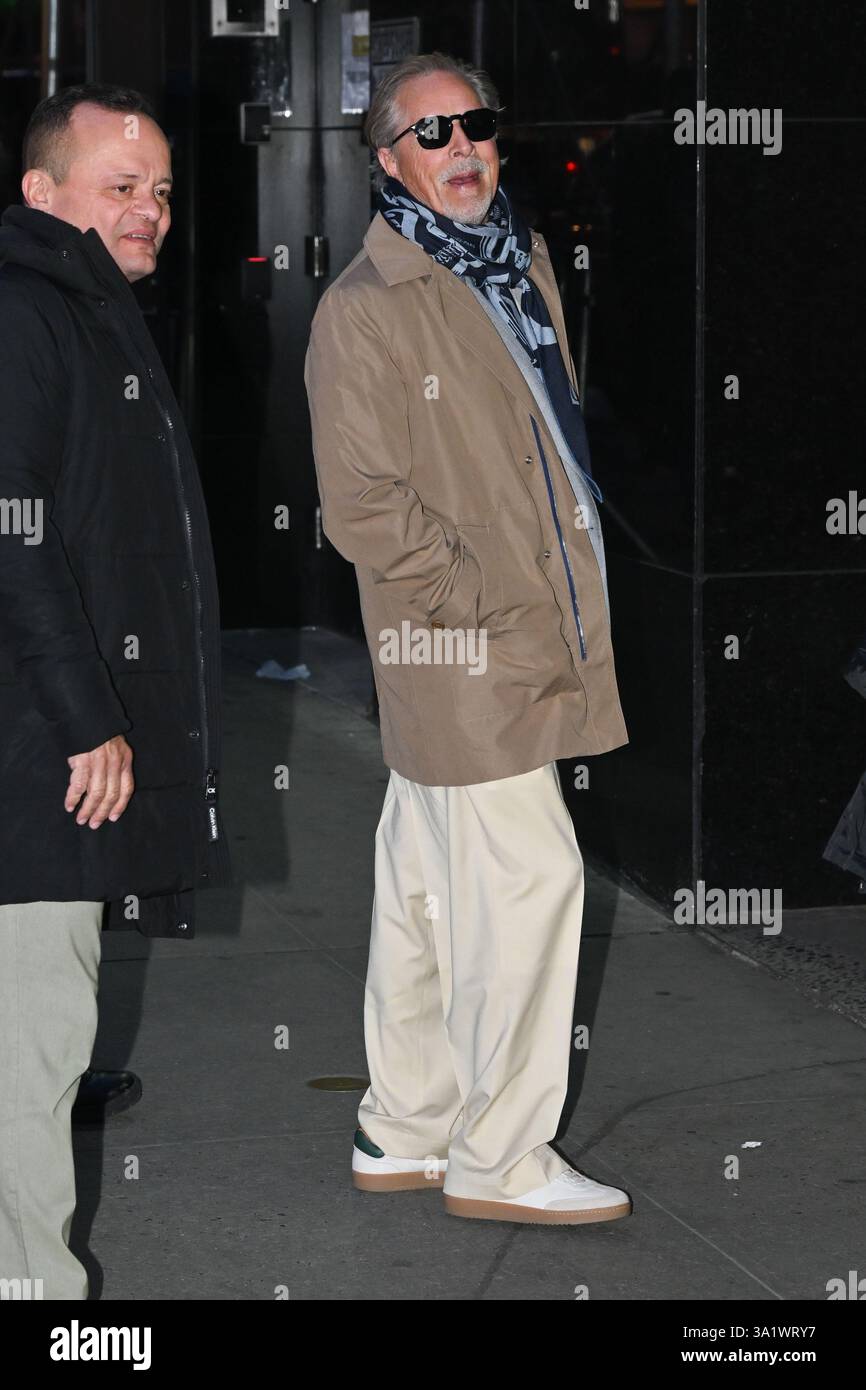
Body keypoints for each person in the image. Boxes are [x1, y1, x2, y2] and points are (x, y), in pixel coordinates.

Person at [305, 52, 631, 1225]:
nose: (459, 150)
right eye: (429, 134)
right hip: (465, 642)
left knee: (428, 887)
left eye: (474, 126)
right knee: (532, 875)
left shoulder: (517, 264)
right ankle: (499, 1153)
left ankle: (403, 1126)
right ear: (387, 159)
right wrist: (479, 601)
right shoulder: (366, 307)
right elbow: (362, 506)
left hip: (520, 618)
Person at [0, 83, 229, 1299]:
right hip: (35, 757)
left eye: (161, 191)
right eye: (119, 187)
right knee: (27, 1055)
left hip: (44, 747)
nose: (149, 211)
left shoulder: (83, 310)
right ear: (43, 195)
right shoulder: (30, 310)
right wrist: (90, 713)